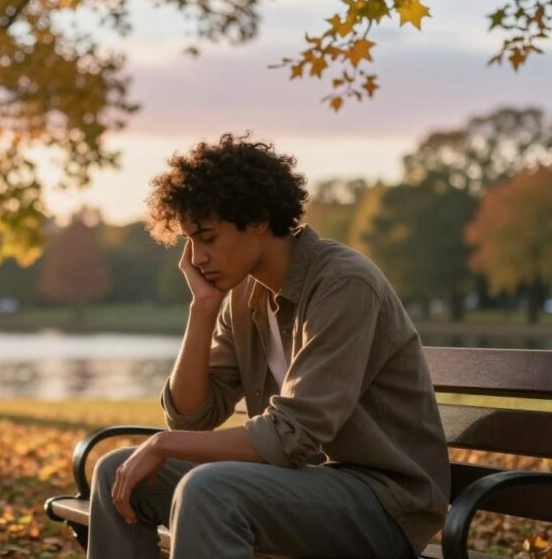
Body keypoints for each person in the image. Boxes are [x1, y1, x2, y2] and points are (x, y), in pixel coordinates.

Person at [86, 134, 451, 559]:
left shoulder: (343, 284)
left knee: (211, 490)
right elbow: (190, 418)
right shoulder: (244, 297)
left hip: (385, 504)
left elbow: (292, 435)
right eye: (189, 242)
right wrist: (202, 309)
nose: (196, 258)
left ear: (258, 219)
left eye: (207, 237)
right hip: (302, 485)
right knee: (117, 472)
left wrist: (163, 444)